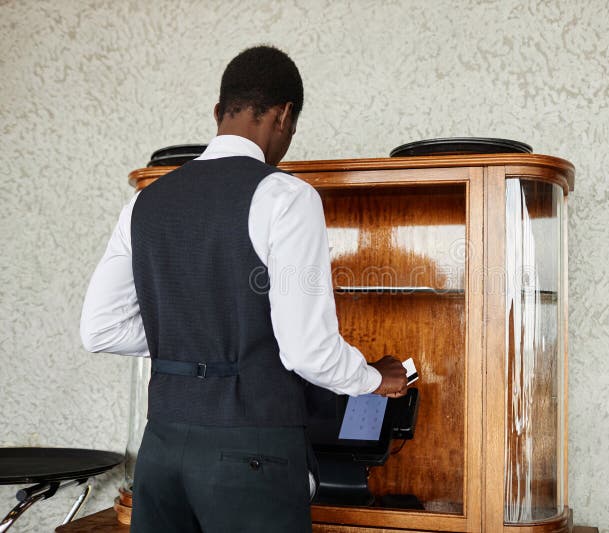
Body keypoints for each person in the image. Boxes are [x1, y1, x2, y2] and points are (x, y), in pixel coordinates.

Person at [80, 45, 408, 532]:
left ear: (218, 112)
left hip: (161, 451)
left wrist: (195, 332)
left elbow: (99, 330)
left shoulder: (145, 203)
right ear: (284, 115)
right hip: (252, 454)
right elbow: (307, 351)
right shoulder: (287, 197)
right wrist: (375, 379)